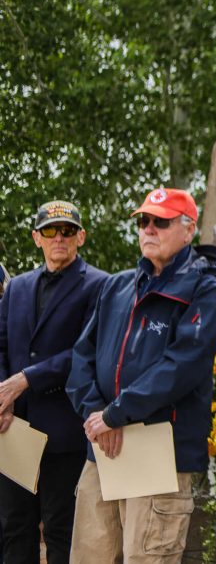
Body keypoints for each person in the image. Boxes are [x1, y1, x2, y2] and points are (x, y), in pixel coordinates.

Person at [66, 187, 216, 564]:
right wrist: (97, 416)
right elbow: (81, 356)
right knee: (87, 556)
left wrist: (115, 414)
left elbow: (180, 367)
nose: (149, 228)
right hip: (104, 450)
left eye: (161, 221)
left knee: (148, 558)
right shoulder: (116, 286)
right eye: (143, 221)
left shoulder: (206, 291)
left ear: (189, 230)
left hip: (160, 454)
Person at [0, 201, 108, 564]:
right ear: (36, 238)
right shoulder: (16, 288)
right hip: (14, 428)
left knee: (62, 532)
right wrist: (4, 397)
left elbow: (84, 351)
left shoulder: (100, 286)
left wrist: (25, 380)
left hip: (65, 432)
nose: (58, 237)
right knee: (15, 528)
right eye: (49, 230)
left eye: (67, 230)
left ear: (81, 236)